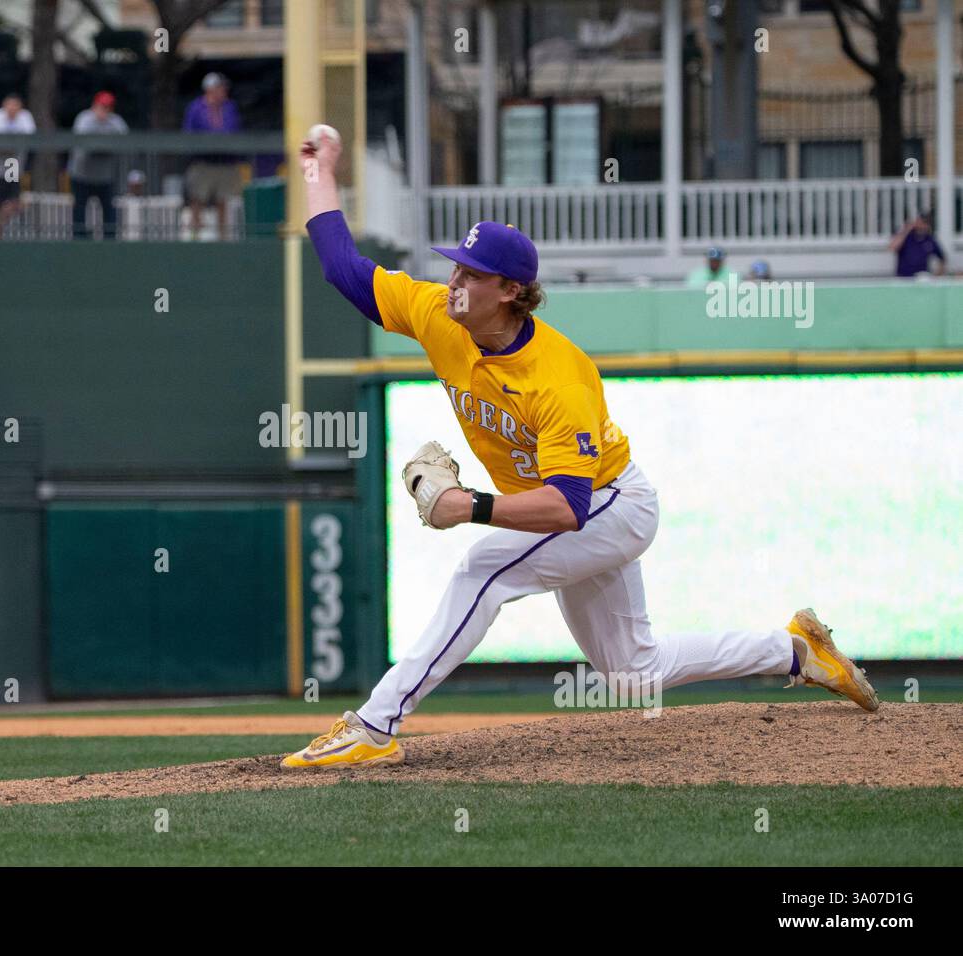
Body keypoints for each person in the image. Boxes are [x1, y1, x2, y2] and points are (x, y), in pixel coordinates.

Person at [281, 127, 881, 770]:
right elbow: (343, 267)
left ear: (510, 291)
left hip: (610, 503)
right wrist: (320, 170)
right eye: (454, 265)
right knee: (631, 670)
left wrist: (469, 506)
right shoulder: (437, 314)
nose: (453, 280)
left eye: (471, 273)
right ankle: (795, 653)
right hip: (578, 507)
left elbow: (568, 508)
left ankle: (375, 724)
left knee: (482, 571)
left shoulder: (559, 376)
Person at [182, 72, 243, 240]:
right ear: (210, 89)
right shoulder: (196, 107)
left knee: (223, 201)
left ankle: (223, 238)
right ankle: (195, 236)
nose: (223, 91)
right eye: (220, 88)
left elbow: (235, 129)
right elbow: (189, 132)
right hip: (203, 161)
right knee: (197, 199)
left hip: (225, 161)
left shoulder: (230, 107)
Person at [69, 91, 129, 238]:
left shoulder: (115, 121)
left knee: (109, 211)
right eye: (101, 106)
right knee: (80, 209)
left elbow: (124, 139)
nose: (104, 110)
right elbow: (83, 141)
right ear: (94, 106)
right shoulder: (84, 118)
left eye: (107, 107)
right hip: (82, 174)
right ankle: (79, 240)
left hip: (105, 176)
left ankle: (110, 241)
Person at [0, 93, 36, 237]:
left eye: (15, 105)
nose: (12, 108)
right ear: (4, 105)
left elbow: (29, 138)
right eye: (9, 105)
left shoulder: (25, 117)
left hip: (12, 164)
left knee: (12, 202)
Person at [890, 212, 946, 278]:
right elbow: (892, 248)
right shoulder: (907, 236)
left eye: (925, 223)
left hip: (921, 278)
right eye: (920, 222)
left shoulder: (930, 240)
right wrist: (906, 229)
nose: (921, 225)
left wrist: (937, 276)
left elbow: (942, 258)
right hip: (903, 277)